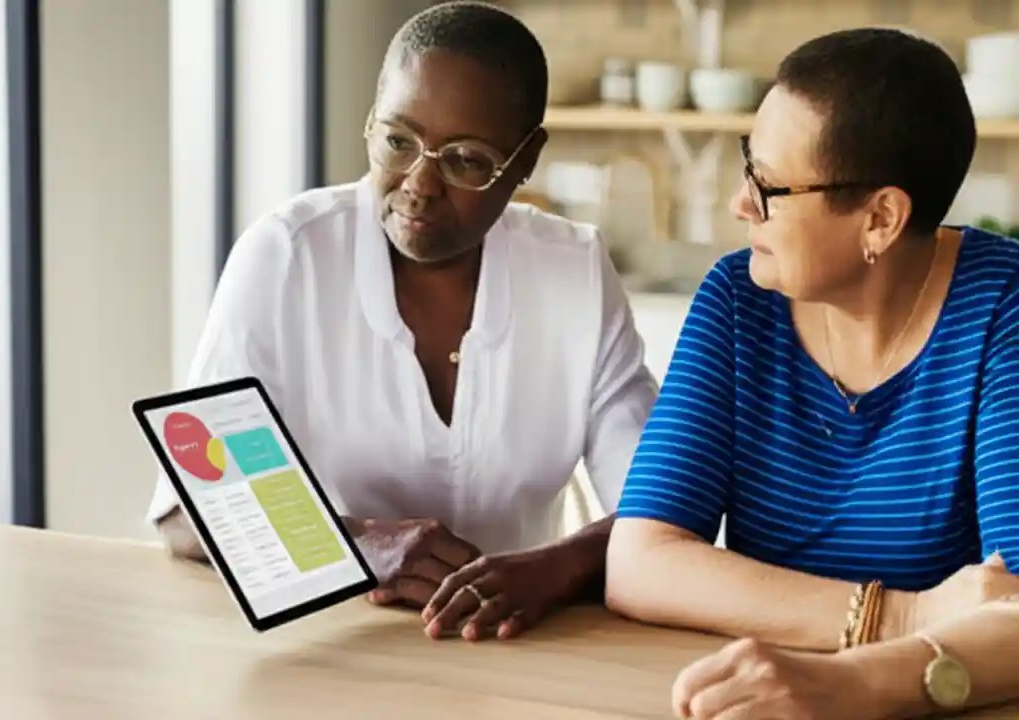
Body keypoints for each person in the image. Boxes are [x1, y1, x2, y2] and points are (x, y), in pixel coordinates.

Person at [151, 1, 657, 642]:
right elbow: (186, 506)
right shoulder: (289, 256)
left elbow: (656, 507)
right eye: (397, 141)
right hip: (325, 642)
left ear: (526, 160)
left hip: (511, 650)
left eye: (467, 159)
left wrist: (550, 569)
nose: (419, 183)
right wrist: (357, 546)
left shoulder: (573, 272)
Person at [604, 28, 1019, 717]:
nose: (741, 203)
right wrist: (905, 617)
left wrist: (852, 682)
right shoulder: (738, 298)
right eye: (748, 164)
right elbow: (642, 562)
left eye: (768, 184)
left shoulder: (1004, 309)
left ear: (880, 218)